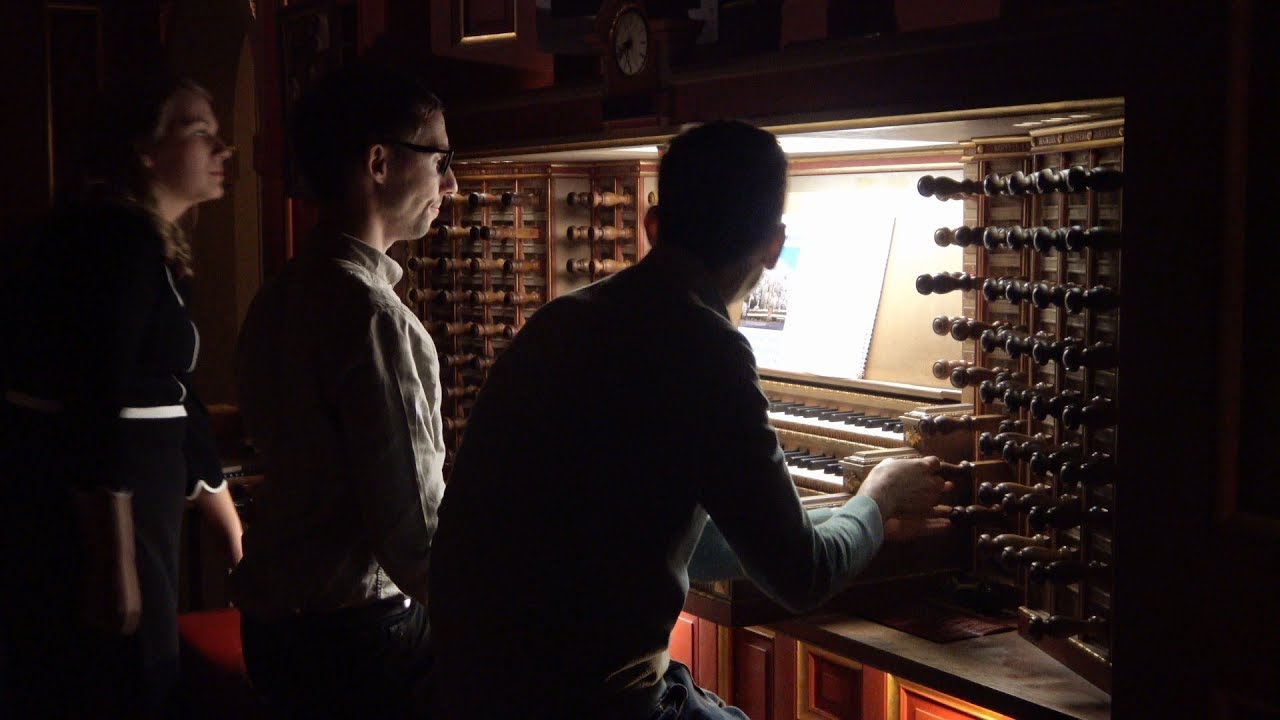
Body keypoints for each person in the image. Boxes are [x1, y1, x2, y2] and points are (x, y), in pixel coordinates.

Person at [426, 120, 950, 719]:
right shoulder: (705, 345)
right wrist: (878, 500)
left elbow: (676, 542)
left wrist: (845, 517)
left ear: (653, 224)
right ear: (774, 246)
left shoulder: (563, 319)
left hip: (469, 688)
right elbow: (801, 575)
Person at [0, 77, 242, 718]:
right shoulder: (116, 244)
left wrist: (224, 515)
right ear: (143, 150)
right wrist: (115, 562)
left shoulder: (142, 244)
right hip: (109, 519)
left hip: (142, 508)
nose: (223, 147)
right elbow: (93, 400)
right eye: (199, 132)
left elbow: (176, 394)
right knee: (119, 684)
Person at [231, 60, 454, 718]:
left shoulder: (279, 295)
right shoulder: (375, 319)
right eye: (440, 157)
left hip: (278, 630)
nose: (453, 181)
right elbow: (415, 543)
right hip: (358, 639)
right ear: (379, 162)